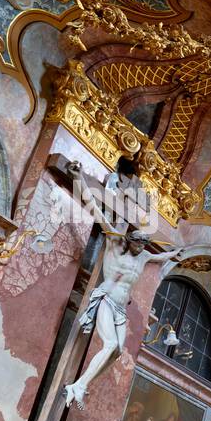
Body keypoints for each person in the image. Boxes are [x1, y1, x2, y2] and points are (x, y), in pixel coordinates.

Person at [64, 169, 181, 408]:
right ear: (131, 240)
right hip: (107, 299)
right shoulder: (115, 244)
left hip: (120, 308)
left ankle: (81, 384)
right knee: (109, 345)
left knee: (117, 351)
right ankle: (79, 385)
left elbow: (162, 257)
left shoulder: (144, 256)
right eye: (139, 243)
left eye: (145, 244)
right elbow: (97, 211)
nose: (142, 248)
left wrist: (175, 254)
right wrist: (78, 178)